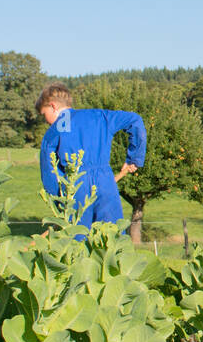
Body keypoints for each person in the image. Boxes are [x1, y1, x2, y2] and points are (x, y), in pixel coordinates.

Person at [35, 82, 146, 233]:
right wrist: (134, 158)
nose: (46, 121)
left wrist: (59, 202)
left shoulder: (57, 128)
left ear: (53, 106)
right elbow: (135, 120)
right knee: (113, 236)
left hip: (75, 186)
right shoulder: (99, 116)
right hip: (106, 182)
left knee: (76, 240)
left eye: (44, 115)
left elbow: (49, 171)